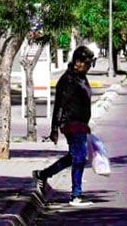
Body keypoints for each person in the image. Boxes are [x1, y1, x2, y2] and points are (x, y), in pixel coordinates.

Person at [33, 45, 95, 206]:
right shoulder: (68, 80)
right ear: (77, 62)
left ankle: (43, 174)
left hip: (81, 124)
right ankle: (76, 195)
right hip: (71, 123)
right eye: (87, 64)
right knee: (80, 157)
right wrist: (54, 129)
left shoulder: (81, 77)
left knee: (73, 157)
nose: (88, 67)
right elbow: (59, 105)